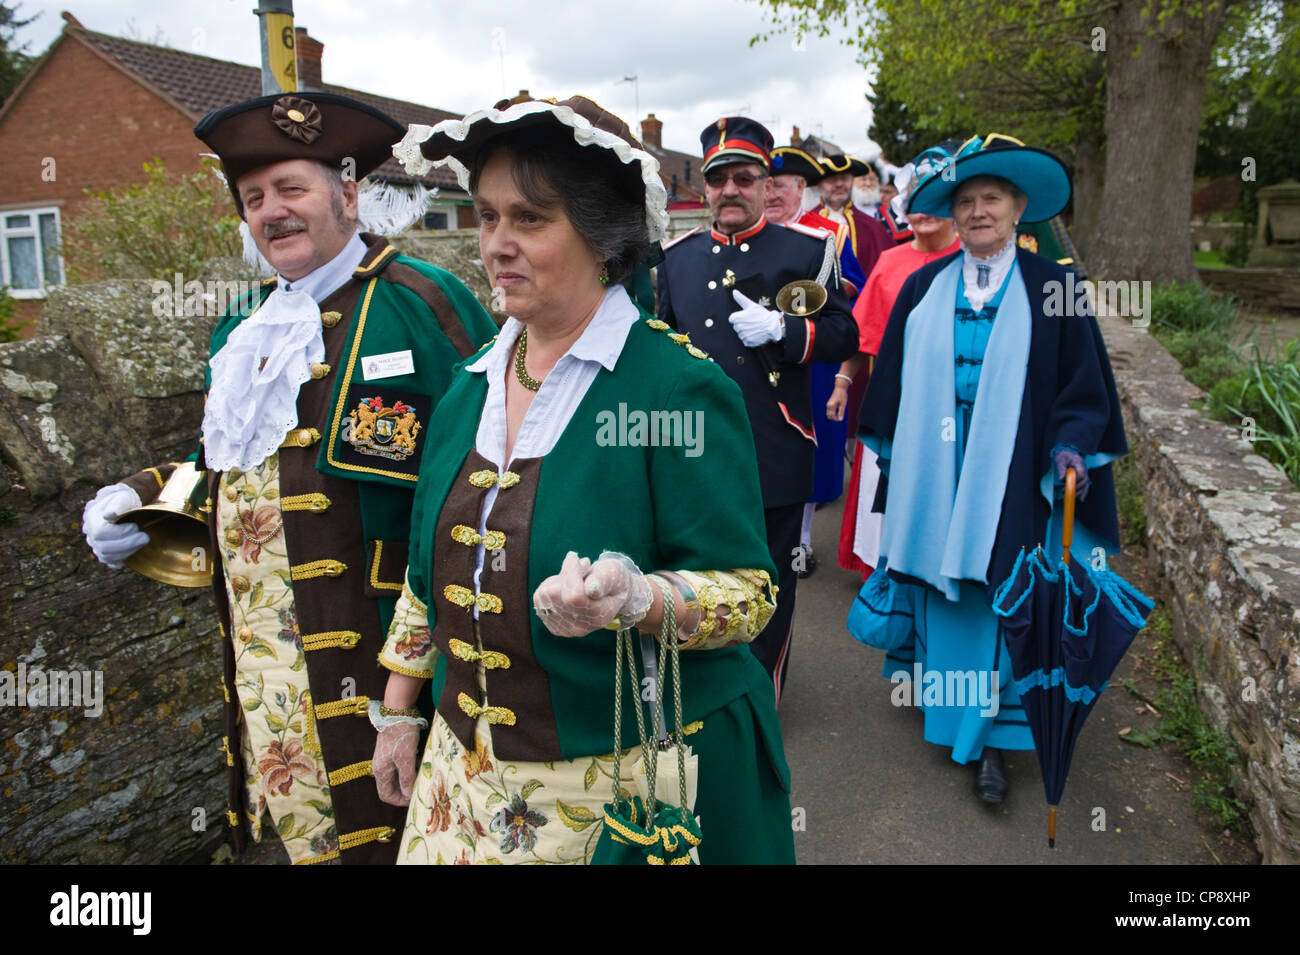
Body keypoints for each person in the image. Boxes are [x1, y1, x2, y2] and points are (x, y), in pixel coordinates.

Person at [373, 96, 795, 864]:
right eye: (486, 215)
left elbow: (751, 595)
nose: (497, 243)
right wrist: (399, 711)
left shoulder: (673, 389)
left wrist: (640, 601)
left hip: (616, 790)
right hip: (458, 785)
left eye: (529, 219)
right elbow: (422, 577)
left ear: (602, 238)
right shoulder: (469, 383)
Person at [80, 91, 498, 864]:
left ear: (345, 193)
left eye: (291, 189)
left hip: (383, 669)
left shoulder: (423, 304)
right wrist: (142, 493)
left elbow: (493, 483)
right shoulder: (238, 327)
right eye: (253, 198)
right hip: (264, 686)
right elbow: (240, 472)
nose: (272, 212)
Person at [856, 132, 1127, 804]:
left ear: (1017, 207)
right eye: (968, 200)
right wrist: (895, 458)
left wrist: (1070, 448)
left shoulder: (1056, 288)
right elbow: (886, 387)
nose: (979, 210)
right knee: (945, 597)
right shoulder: (923, 285)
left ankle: (992, 746)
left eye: (993, 199)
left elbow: (1083, 387)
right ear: (955, 212)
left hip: (1011, 475)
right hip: (935, 474)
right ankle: (949, 715)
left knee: (1000, 593)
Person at [656, 117, 858, 701]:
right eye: (719, 180)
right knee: (696, 574)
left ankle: (759, 698)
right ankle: (703, 694)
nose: (730, 190)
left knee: (770, 580)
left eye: (745, 178)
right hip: (694, 450)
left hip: (775, 444)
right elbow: (661, 346)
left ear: (767, 184)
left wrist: (785, 330)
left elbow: (845, 333)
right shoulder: (677, 257)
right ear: (707, 187)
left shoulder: (808, 250)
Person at [831, 143, 963, 580]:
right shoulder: (890, 261)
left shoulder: (973, 260)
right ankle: (884, 568)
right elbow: (862, 333)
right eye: (916, 199)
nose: (923, 210)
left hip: (954, 404)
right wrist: (843, 383)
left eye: (935, 200)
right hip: (894, 402)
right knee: (883, 485)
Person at [768, 145, 867, 575]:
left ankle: (802, 541)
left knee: (810, 452)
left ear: (801, 189)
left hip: (814, 363)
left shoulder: (827, 233)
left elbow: (857, 290)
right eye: (766, 185)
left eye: (781, 186)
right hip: (760, 363)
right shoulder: (746, 234)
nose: (772, 194)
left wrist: (835, 284)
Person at [814, 153, 894, 281]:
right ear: (819, 185)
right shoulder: (805, 223)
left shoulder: (872, 226)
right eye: (832, 179)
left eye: (844, 178)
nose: (839, 184)